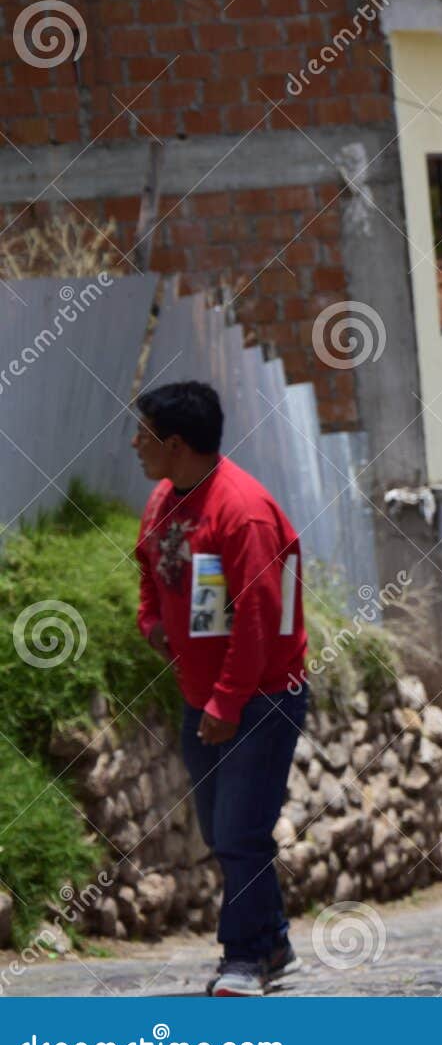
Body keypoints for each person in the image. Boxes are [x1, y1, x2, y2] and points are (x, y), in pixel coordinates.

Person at [131, 381, 309, 998]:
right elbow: (150, 566)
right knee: (224, 834)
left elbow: (257, 619)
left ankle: (243, 959)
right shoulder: (163, 499)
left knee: (238, 833)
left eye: (143, 433)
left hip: (259, 700)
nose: (134, 444)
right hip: (200, 698)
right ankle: (275, 941)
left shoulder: (243, 512)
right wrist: (151, 621)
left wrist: (227, 702)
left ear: (175, 443)